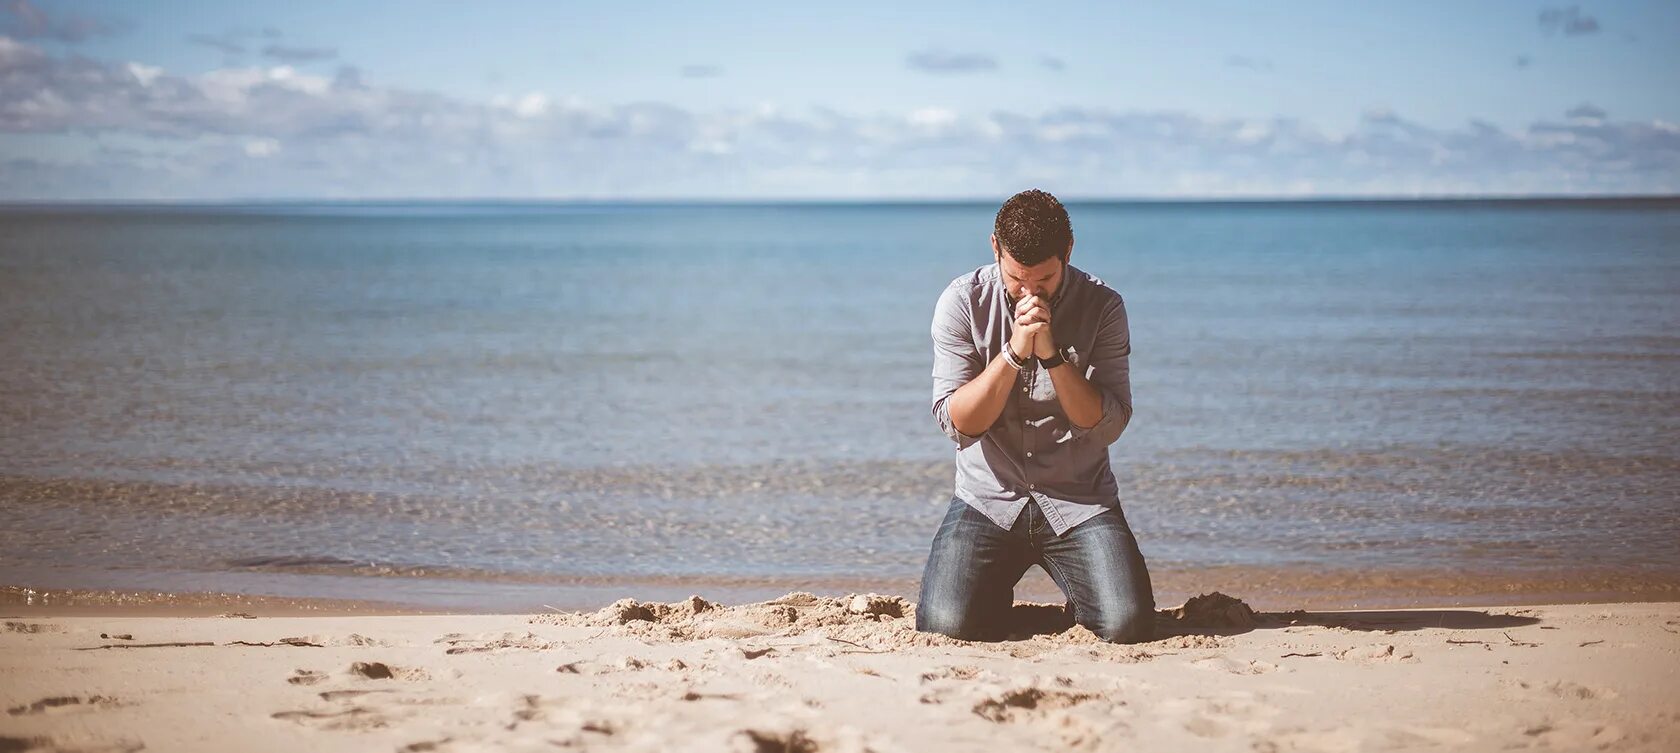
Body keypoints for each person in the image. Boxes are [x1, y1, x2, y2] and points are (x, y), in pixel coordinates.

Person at [914, 188, 1156, 644]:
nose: (1029, 293)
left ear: (1068, 251)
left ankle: (1081, 593)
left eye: (1043, 280)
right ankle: (990, 596)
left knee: (1127, 625)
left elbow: (1107, 425)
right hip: (987, 498)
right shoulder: (963, 301)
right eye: (1016, 279)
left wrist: (1051, 356)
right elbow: (958, 423)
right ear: (995, 249)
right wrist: (1012, 353)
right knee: (944, 628)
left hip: (1079, 499)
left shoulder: (1104, 306)